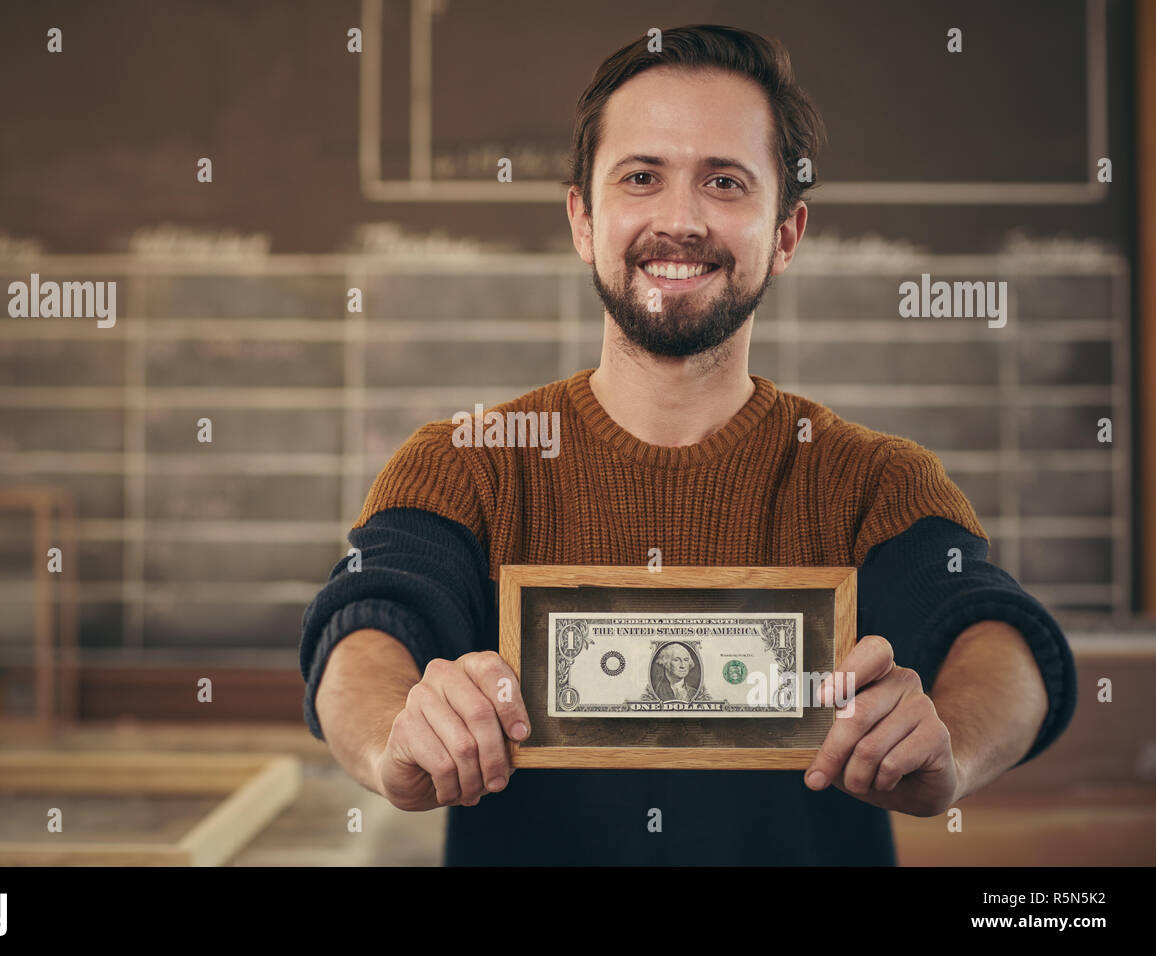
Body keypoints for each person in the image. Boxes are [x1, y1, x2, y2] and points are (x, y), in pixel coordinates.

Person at [299, 24, 1076, 865]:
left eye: (725, 182)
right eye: (641, 177)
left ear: (785, 234)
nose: (680, 219)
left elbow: (997, 635)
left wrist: (950, 747)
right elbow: (366, 624)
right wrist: (392, 739)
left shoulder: (875, 482)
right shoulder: (465, 465)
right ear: (581, 218)